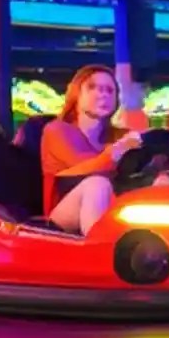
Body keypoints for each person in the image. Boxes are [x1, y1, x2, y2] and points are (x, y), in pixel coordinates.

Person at [41, 65, 143, 234]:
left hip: (114, 205)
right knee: (97, 185)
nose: (103, 95)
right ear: (76, 94)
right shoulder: (57, 130)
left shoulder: (120, 135)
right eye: (92, 87)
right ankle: (98, 246)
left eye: (109, 90)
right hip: (62, 214)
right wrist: (116, 152)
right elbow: (83, 166)